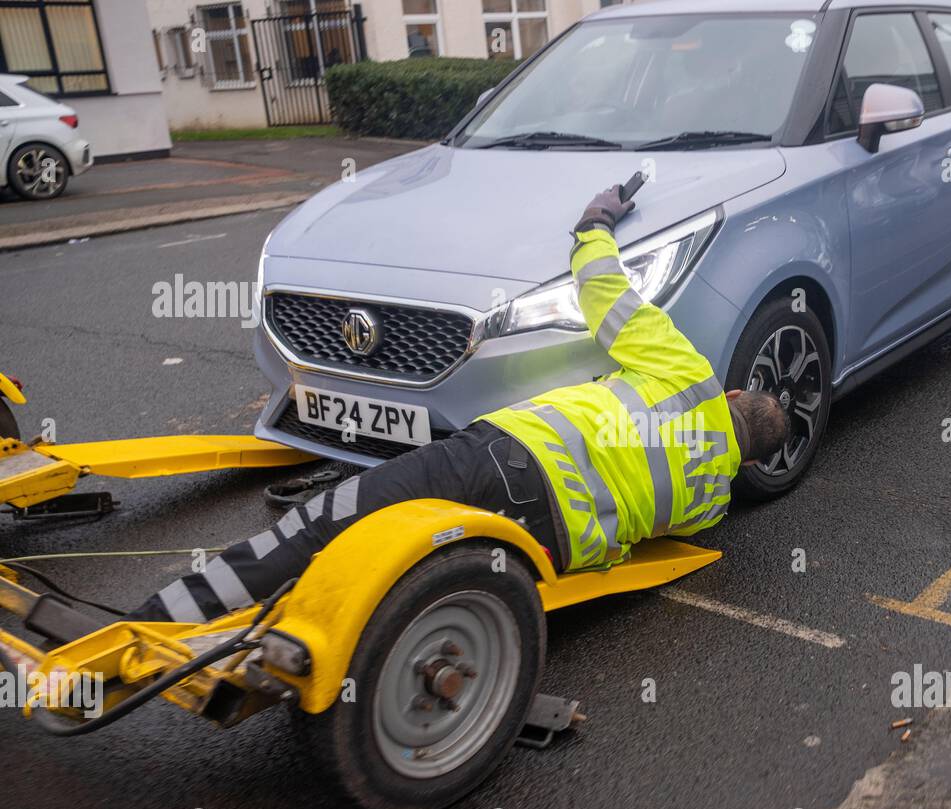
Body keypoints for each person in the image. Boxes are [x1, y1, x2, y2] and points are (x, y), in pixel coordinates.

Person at [127, 186, 790, 624]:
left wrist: (596, 224)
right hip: (549, 544)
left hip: (513, 461)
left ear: (732, 394)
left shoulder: (689, 373)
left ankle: (159, 624)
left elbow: (604, 293)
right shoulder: (711, 504)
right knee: (400, 570)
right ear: (748, 461)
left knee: (333, 520)